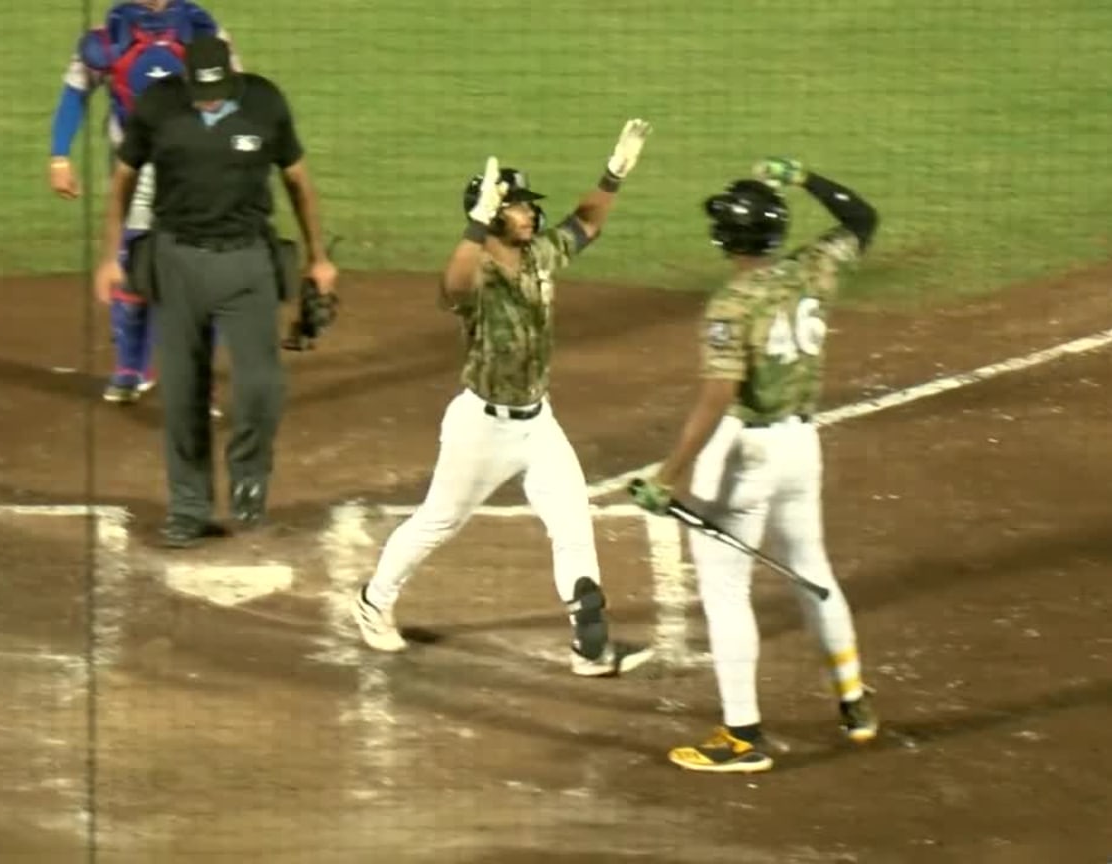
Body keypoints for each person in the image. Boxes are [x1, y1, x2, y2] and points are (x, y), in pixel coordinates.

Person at [349, 120, 658, 677]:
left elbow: (585, 225)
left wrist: (613, 174)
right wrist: (473, 225)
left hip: (539, 424)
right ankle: (374, 601)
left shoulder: (539, 255)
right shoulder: (481, 271)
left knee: (571, 521)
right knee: (438, 522)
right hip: (481, 429)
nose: (531, 214)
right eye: (518, 207)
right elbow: (453, 287)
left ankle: (591, 646)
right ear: (492, 213)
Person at [627, 155, 881, 772]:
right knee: (811, 570)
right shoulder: (813, 269)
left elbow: (718, 396)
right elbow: (861, 216)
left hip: (749, 453)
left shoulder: (730, 306)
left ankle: (743, 736)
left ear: (726, 239)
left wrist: (667, 477)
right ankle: (853, 704)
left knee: (724, 590)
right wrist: (802, 176)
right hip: (803, 447)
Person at [95, 35, 338, 548]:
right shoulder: (158, 106)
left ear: (232, 75)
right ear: (187, 80)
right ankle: (188, 506)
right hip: (177, 260)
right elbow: (123, 177)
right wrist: (111, 255)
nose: (210, 100)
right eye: (201, 92)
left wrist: (318, 258)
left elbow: (298, 180)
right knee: (183, 393)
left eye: (218, 91)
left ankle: (249, 478)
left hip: (247, 260)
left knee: (261, 386)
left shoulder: (264, 102)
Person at [48, 0, 236, 409]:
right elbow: (74, 94)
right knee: (132, 262)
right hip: (132, 167)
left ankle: (198, 379)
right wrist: (59, 156)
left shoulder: (204, 31)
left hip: (195, 165)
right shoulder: (109, 34)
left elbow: (235, 93)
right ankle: (132, 368)